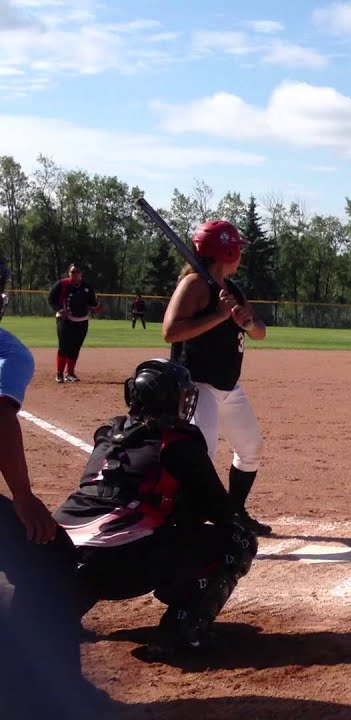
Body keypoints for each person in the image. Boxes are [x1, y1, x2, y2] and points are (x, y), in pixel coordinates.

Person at [52, 358, 258, 660]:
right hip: (115, 568)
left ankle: (57, 614)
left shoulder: (107, 433)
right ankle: (181, 634)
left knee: (114, 529)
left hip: (56, 561)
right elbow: (223, 512)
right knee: (238, 539)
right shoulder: (179, 443)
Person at [1, 254, 113, 717]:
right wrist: (24, 498)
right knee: (50, 555)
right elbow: (1, 417)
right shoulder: (7, 350)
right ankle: (35, 691)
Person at [162, 220, 272, 537]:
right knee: (201, 456)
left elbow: (261, 331)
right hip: (197, 384)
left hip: (227, 385)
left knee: (250, 447)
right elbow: (170, 331)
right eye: (238, 249)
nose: (241, 255)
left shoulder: (232, 290)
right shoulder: (195, 284)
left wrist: (246, 321)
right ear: (226, 251)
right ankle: (184, 523)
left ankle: (234, 511)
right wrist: (220, 317)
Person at [46, 262, 102, 384]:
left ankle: (70, 373)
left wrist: (97, 307)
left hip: (82, 321)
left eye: (77, 272)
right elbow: (51, 299)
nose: (75, 274)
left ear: (81, 274)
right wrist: (60, 310)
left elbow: (92, 302)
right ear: (69, 273)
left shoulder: (87, 287)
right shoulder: (62, 284)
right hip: (65, 319)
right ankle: (59, 374)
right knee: (64, 347)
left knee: (75, 348)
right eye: (73, 272)